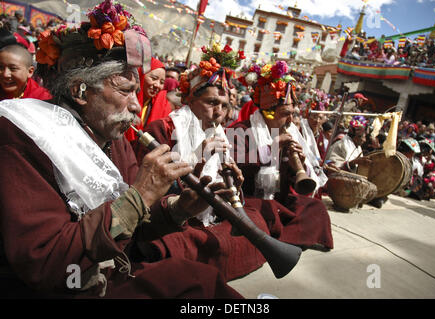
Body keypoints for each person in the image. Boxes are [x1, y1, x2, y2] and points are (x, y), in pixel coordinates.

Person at [0, 1, 242, 299]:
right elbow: (46, 262)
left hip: (110, 273)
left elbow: (133, 233)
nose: (136, 105)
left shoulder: (112, 138)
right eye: (126, 91)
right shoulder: (22, 135)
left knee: (198, 278)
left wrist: (179, 208)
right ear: (80, 91)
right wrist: (139, 195)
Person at [132, 46, 273, 281]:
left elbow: (220, 186)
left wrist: (235, 187)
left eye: (224, 105)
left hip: (209, 215)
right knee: (178, 242)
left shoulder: (220, 132)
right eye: (211, 102)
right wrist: (200, 155)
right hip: (174, 216)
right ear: (190, 99)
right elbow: (148, 189)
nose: (219, 112)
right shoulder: (162, 128)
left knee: (258, 217)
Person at [229, 61, 334, 252]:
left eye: (293, 114)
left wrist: (299, 166)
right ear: (268, 113)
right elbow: (234, 166)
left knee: (315, 209)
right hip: (251, 199)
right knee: (260, 215)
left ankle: (277, 238)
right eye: (286, 114)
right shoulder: (240, 130)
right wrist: (272, 148)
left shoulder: (289, 133)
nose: (291, 120)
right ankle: (282, 238)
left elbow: (295, 185)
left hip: (278, 201)